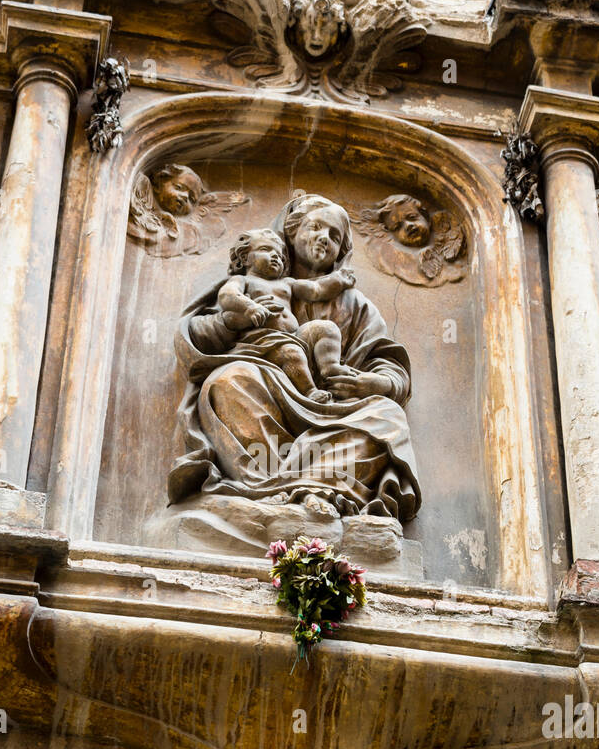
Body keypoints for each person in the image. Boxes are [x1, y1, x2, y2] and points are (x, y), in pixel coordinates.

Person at [169, 191, 421, 520]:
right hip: (266, 387)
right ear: (292, 231)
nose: (324, 239)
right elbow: (196, 338)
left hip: (331, 409)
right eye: (316, 227)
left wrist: (376, 384)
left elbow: (388, 364)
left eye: (334, 236)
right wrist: (234, 321)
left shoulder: (354, 305)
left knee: (387, 419)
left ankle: (315, 487)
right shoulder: (247, 284)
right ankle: (269, 487)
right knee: (225, 383)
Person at [217, 227, 356, 403]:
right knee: (291, 353)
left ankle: (330, 367)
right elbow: (227, 295)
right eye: (266, 249)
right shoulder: (244, 281)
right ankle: (310, 391)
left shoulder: (287, 283)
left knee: (325, 328)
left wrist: (339, 280)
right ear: (245, 258)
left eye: (279, 255)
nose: (275, 256)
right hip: (266, 340)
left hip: (295, 335)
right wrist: (250, 307)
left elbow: (316, 290)